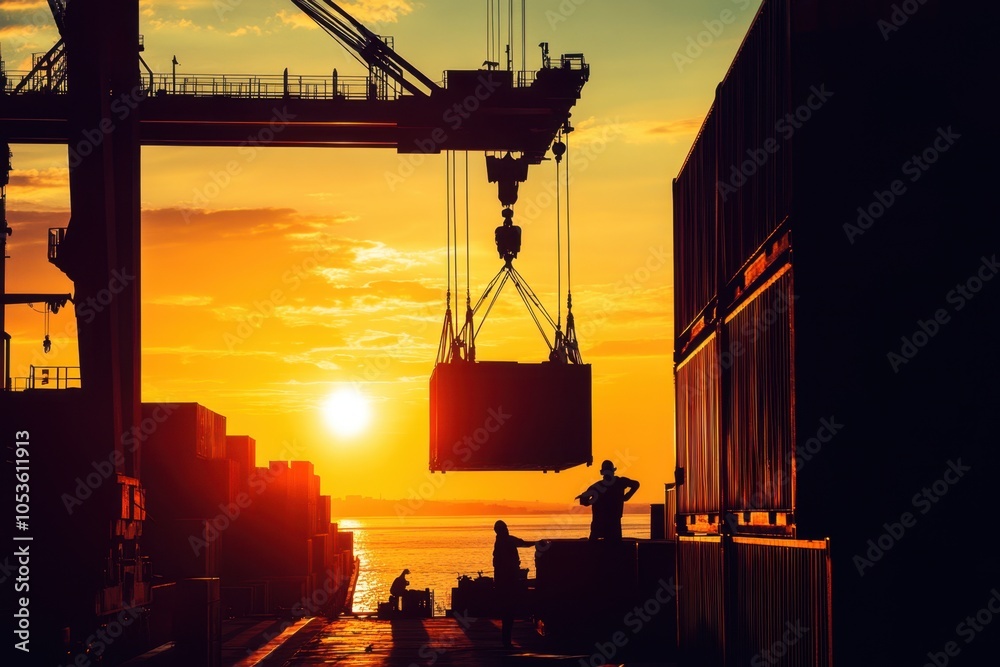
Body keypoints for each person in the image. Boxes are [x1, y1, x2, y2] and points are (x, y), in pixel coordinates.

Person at [492, 520, 535, 648]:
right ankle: (506, 641)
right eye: (505, 528)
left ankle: (506, 640)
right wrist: (537, 543)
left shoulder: (499, 543)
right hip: (509, 582)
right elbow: (523, 543)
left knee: (506, 613)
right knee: (508, 613)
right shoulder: (508, 541)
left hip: (502, 582)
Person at [576, 459, 640, 541]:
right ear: (613, 471)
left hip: (600, 523)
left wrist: (588, 499)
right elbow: (636, 484)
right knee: (614, 545)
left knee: (594, 545)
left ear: (602, 472)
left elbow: (584, 502)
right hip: (613, 524)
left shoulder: (597, 487)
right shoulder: (620, 482)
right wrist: (626, 497)